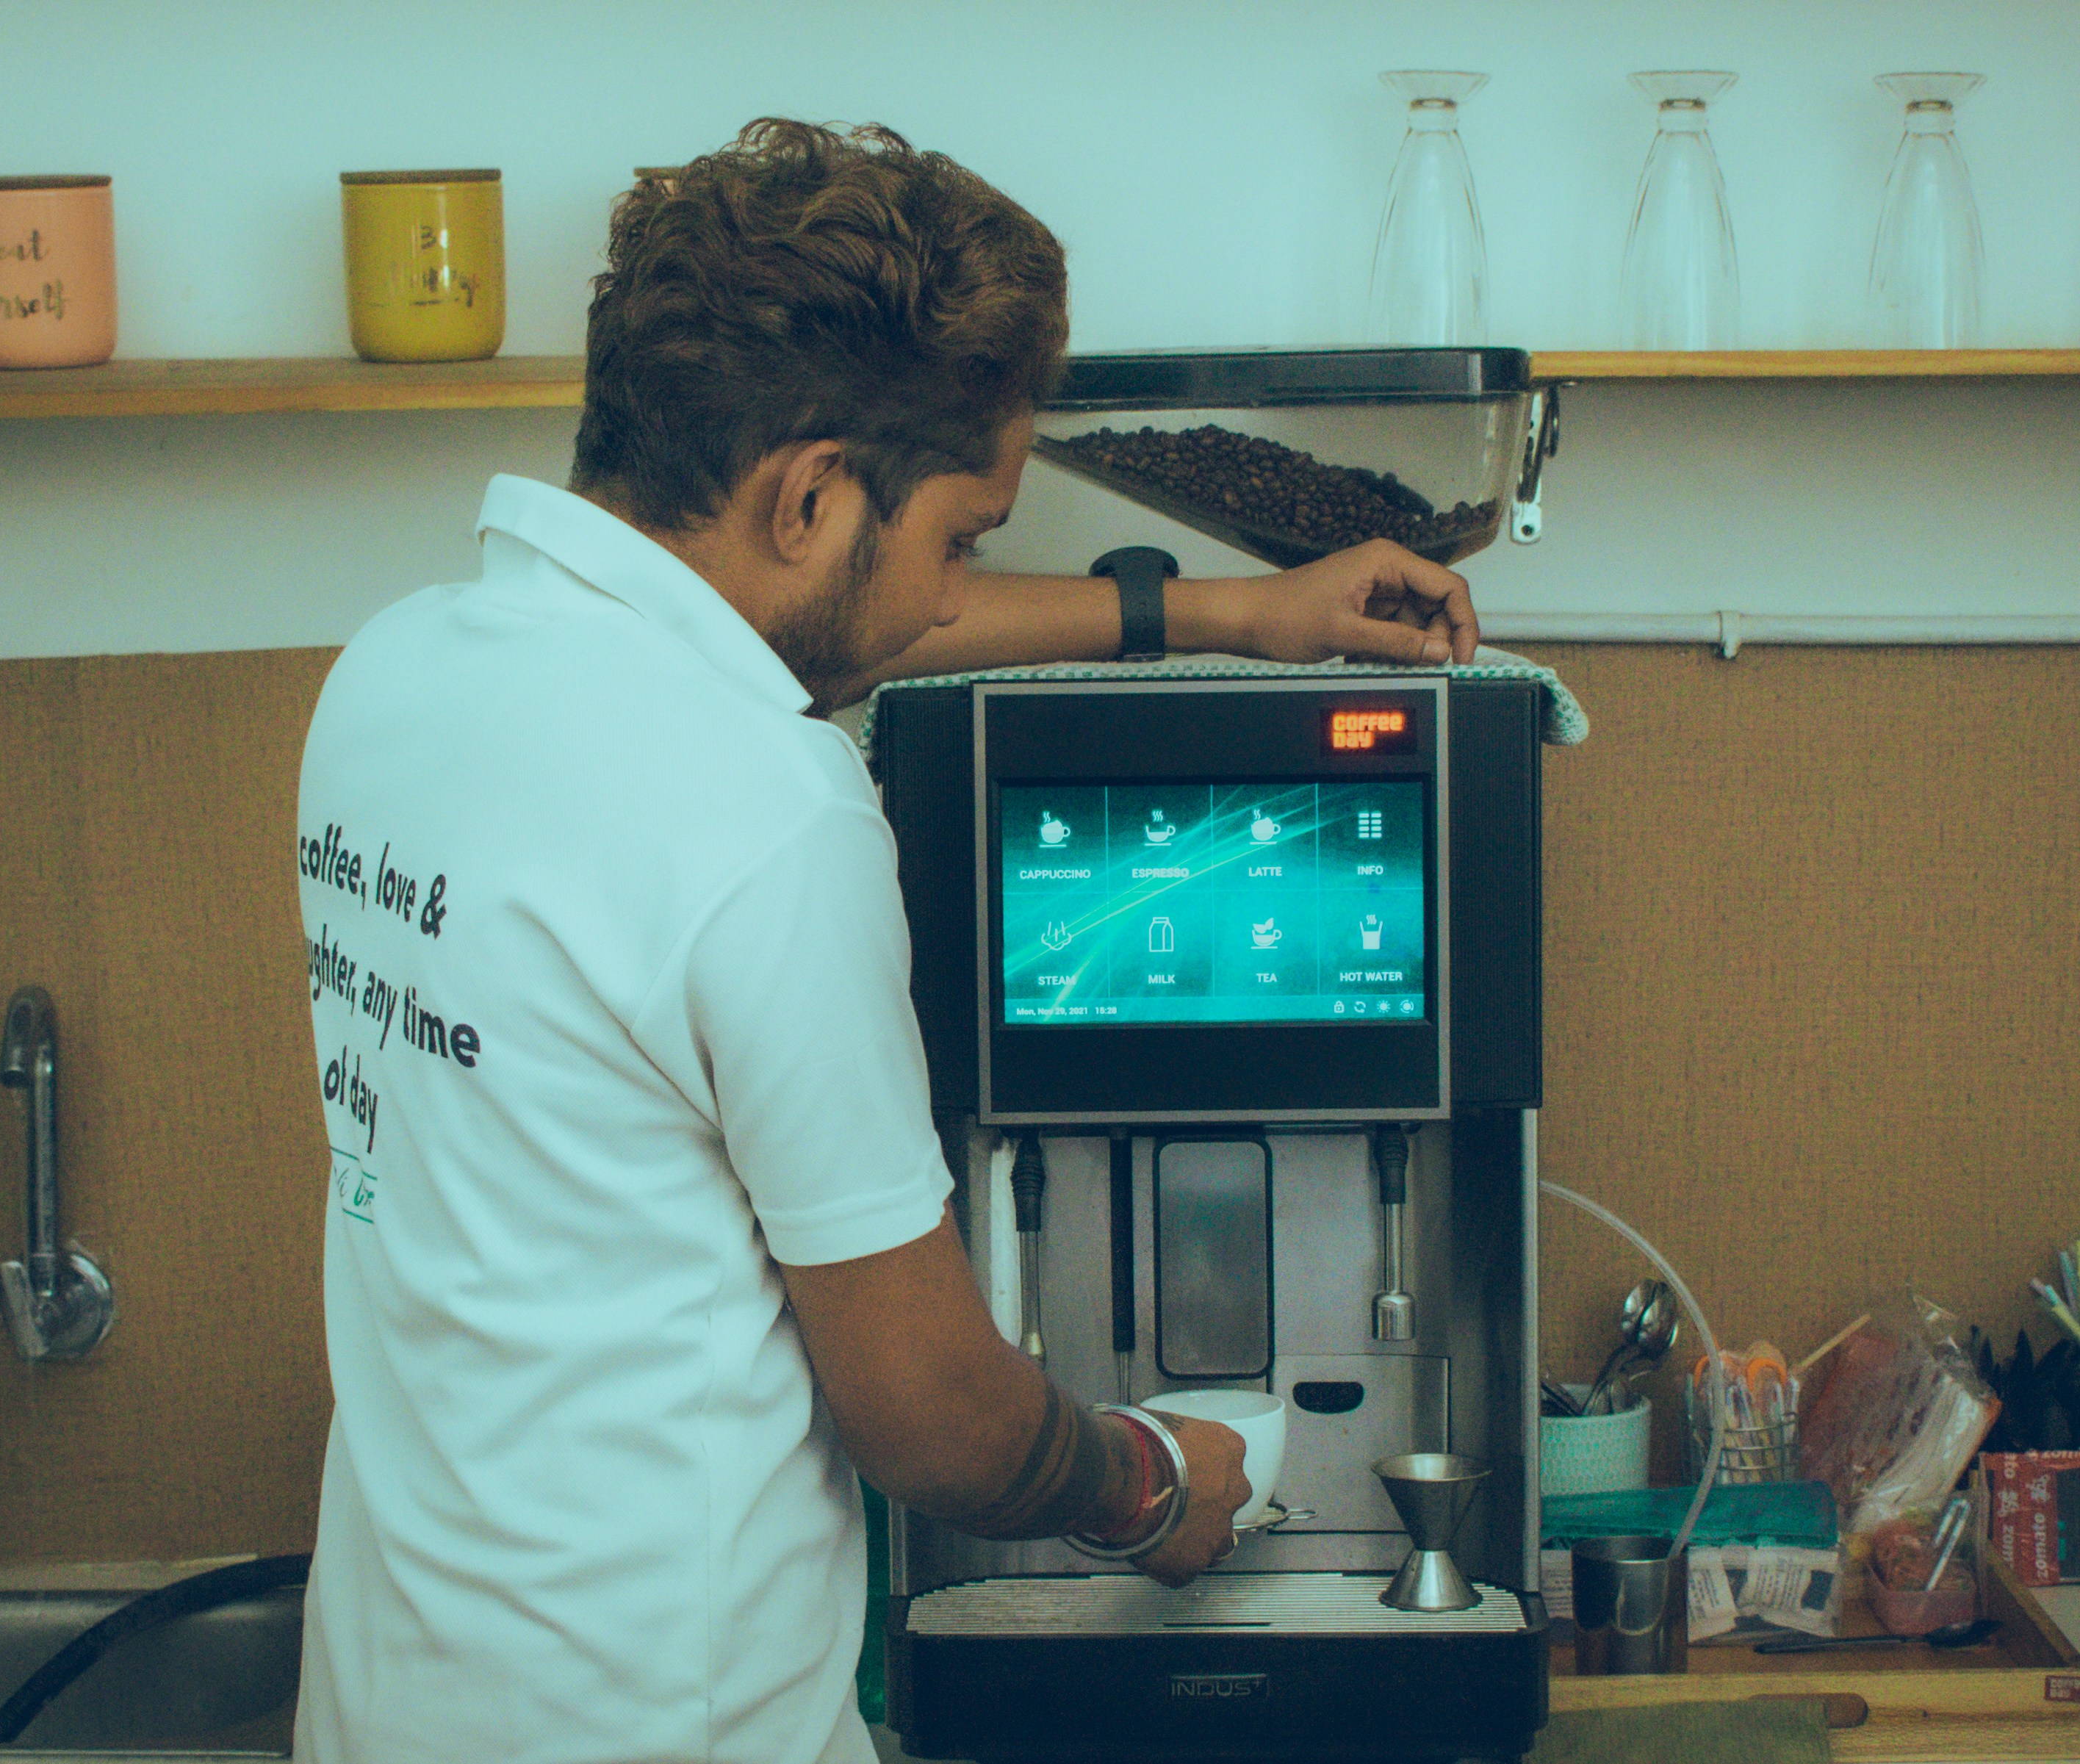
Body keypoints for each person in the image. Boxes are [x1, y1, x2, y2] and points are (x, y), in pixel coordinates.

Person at [292, 118, 1482, 1764]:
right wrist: (1150, 1483)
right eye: (967, 534)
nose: (955, 591)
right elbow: (934, 1416)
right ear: (810, 493)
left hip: (393, 1697)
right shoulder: (766, 814)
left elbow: (827, 623)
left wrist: (1219, 613)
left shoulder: (400, 678)